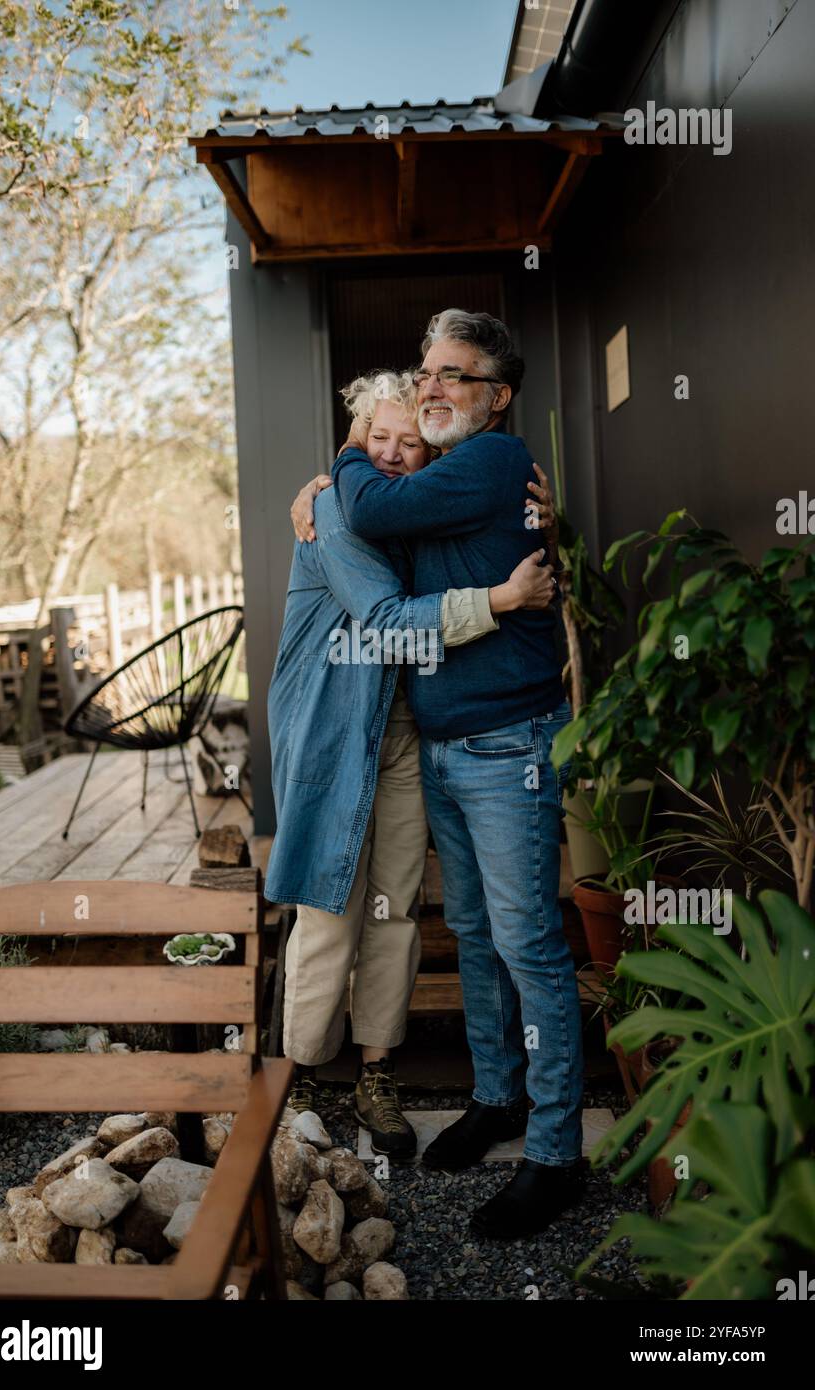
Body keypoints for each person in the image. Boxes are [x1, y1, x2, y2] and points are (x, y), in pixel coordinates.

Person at [330, 311, 585, 1238]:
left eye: (455, 375)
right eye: (427, 372)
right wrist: (323, 486)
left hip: (507, 744)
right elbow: (375, 520)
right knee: (475, 935)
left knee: (528, 947)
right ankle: (497, 1098)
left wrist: (349, 452)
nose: (433, 387)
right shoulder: (453, 469)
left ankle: (557, 1153)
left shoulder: (491, 461)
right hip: (447, 744)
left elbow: (371, 509)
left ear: (499, 395)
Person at [265, 369, 557, 1163]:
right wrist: (501, 599)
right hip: (329, 729)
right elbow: (392, 624)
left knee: (396, 913)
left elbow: (491, 524)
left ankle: (376, 1071)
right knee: (329, 910)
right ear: (356, 442)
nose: (395, 455)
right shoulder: (334, 509)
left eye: (410, 443)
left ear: (431, 453)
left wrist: (543, 518)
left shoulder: (414, 514)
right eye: (378, 440)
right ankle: (299, 1079)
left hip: (402, 732)